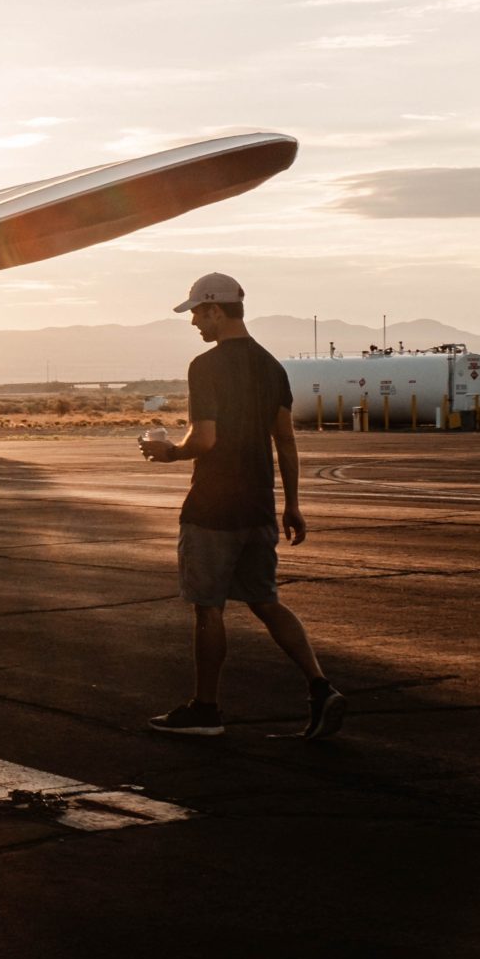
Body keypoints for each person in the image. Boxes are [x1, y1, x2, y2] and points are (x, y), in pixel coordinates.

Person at [137, 273, 343, 739]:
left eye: (196, 312)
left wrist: (169, 451)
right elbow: (286, 441)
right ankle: (320, 687)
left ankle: (206, 710)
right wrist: (292, 504)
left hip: (213, 507)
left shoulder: (205, 367)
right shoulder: (273, 367)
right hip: (258, 507)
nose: (193, 321)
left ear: (215, 310)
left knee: (208, 608)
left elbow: (205, 439)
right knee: (266, 601)